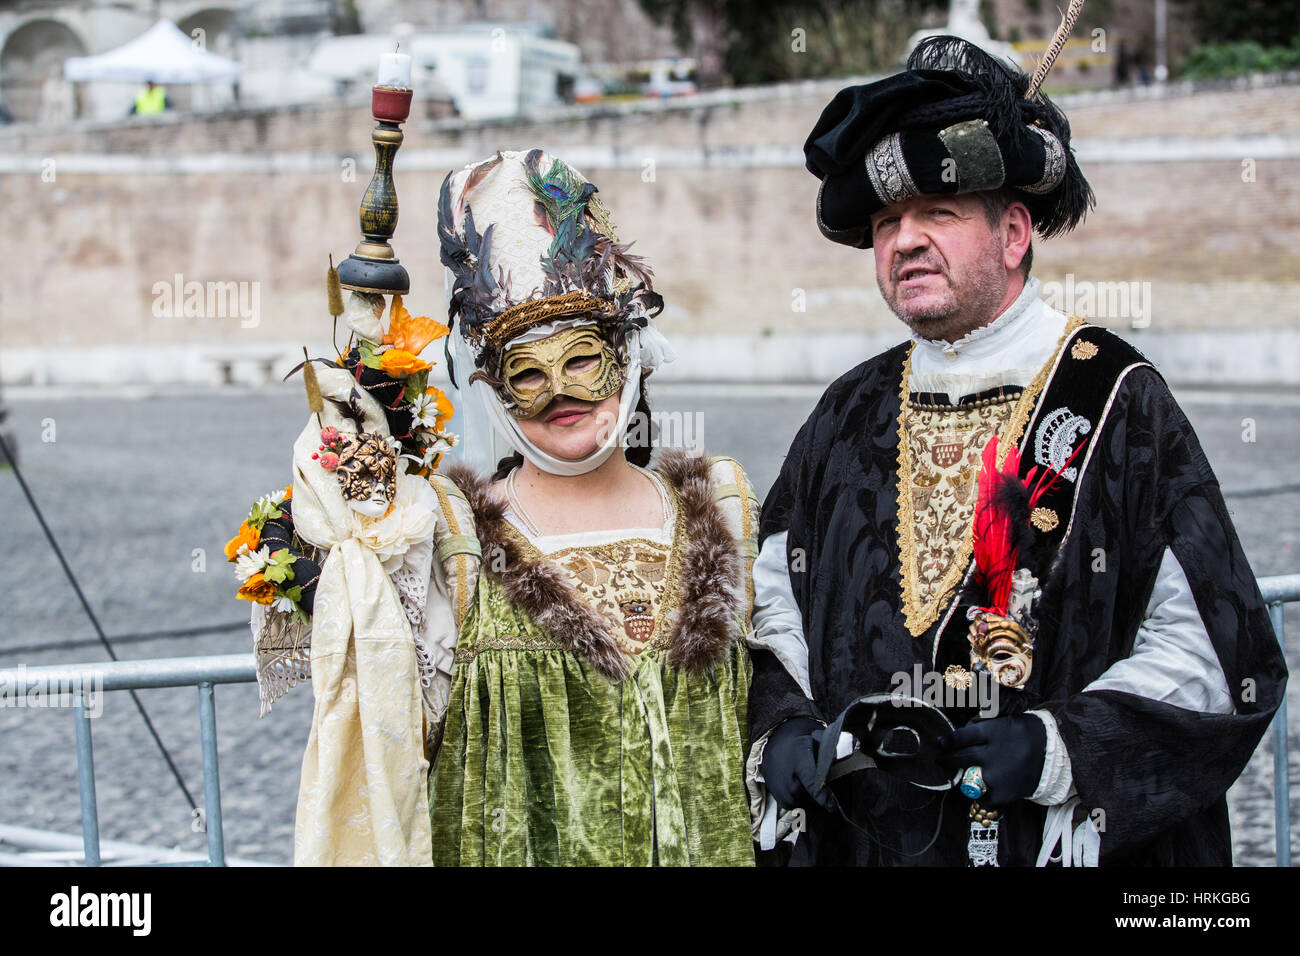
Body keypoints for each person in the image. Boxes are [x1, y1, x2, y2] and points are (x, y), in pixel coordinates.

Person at [745, 36, 1287, 866]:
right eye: (889, 222)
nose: (906, 241)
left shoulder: (1117, 398)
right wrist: (782, 727)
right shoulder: (844, 410)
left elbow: (1215, 646)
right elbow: (774, 598)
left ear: (1014, 233)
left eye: (941, 214)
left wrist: (1061, 749)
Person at [422, 149, 759, 866]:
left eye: (580, 359)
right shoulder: (447, 542)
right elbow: (384, 726)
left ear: (627, 356)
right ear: (494, 388)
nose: (560, 393)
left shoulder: (721, 513)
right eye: (526, 372)